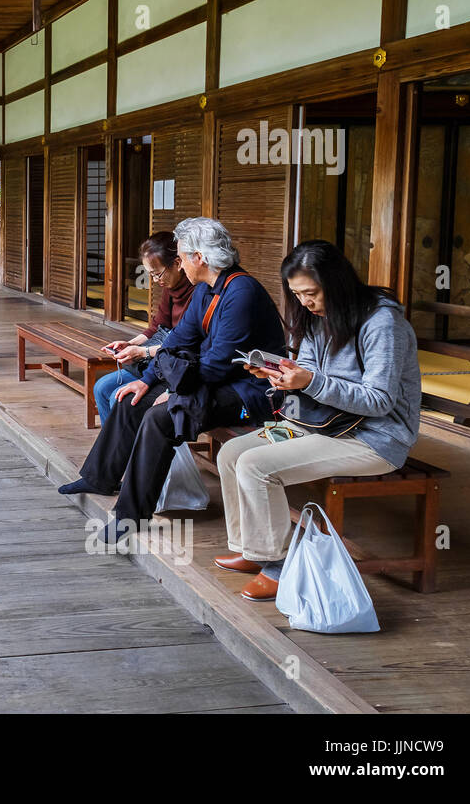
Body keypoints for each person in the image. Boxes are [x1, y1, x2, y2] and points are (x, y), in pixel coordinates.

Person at [213, 240, 422, 601]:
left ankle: (277, 564)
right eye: (297, 294)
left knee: (256, 465)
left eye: (310, 293)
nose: (305, 302)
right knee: (231, 454)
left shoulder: (382, 323)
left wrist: (310, 381)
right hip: (324, 422)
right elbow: (308, 372)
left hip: (374, 437)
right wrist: (280, 374)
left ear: (337, 283)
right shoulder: (315, 318)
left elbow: (380, 400)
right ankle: (253, 548)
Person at [59, 217, 287, 545]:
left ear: (199, 258)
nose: (179, 262)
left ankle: (130, 517)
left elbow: (220, 364)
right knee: (132, 397)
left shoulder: (241, 291)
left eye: (181, 256)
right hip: (213, 381)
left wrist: (175, 390)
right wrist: (148, 380)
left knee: (160, 417)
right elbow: (180, 339)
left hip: (248, 390)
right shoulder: (209, 289)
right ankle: (100, 477)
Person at [94, 231, 195, 424]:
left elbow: (186, 344)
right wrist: (129, 343)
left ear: (177, 263)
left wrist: (142, 352)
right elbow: (157, 327)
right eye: (151, 274)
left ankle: (130, 449)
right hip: (158, 359)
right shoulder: (171, 288)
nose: (156, 280)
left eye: (158, 273)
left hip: (176, 365)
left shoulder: (198, 293)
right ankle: (115, 450)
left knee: (119, 396)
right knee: (101, 387)